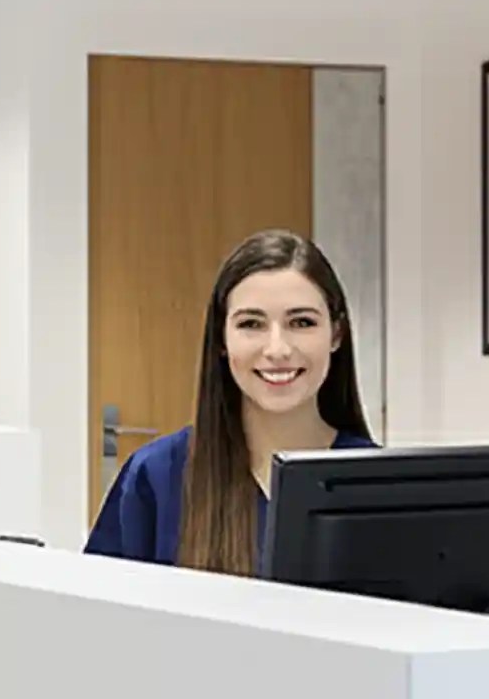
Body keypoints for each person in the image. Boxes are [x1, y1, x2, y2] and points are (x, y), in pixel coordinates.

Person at [84, 228, 377, 577]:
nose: (277, 349)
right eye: (251, 324)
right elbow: (97, 607)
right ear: (222, 339)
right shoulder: (156, 476)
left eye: (301, 322)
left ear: (336, 335)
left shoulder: (380, 485)